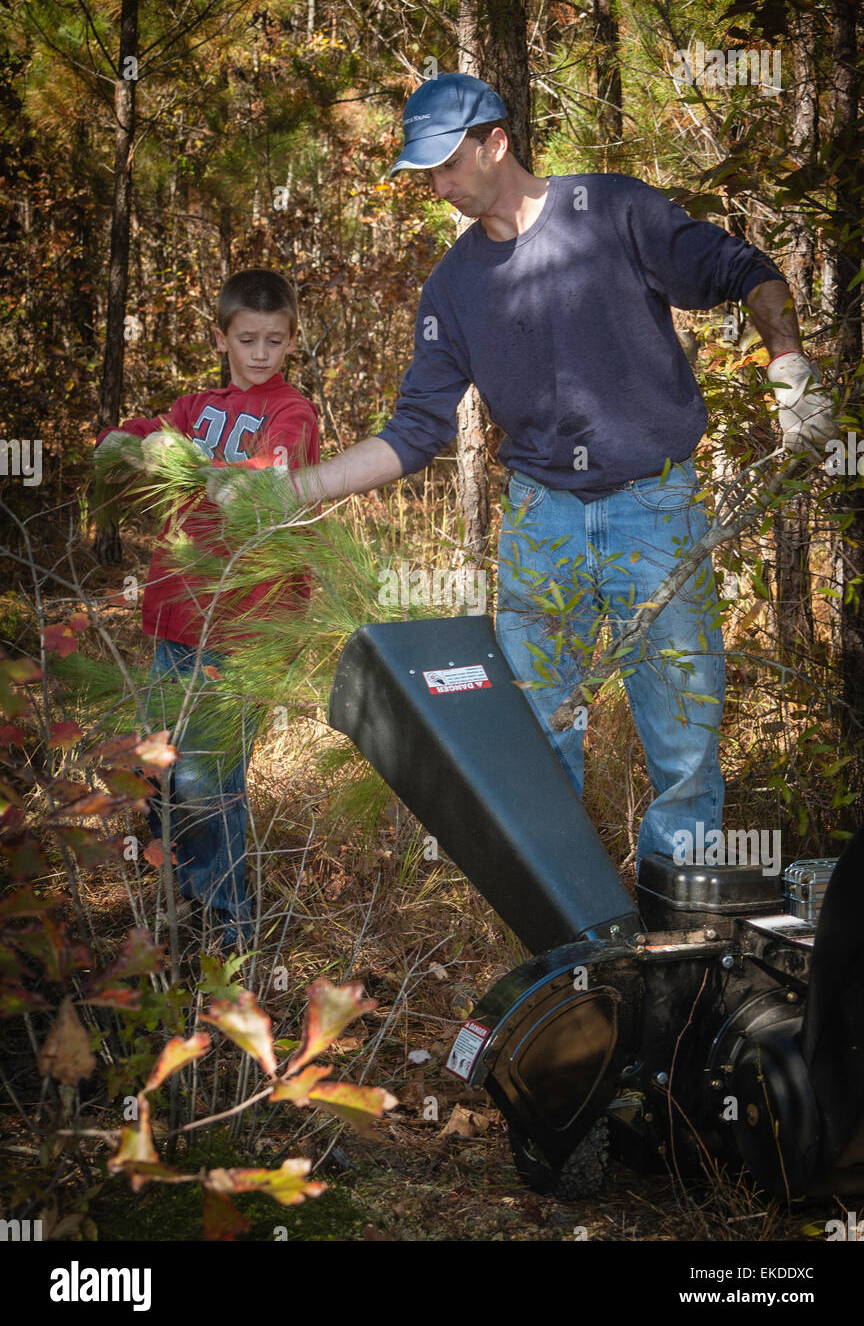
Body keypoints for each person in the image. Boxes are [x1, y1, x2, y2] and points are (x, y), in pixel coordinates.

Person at [208, 74, 836, 877]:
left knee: (683, 733)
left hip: (658, 508)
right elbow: (413, 434)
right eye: (425, 172)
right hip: (542, 523)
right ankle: (572, 935)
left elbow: (744, 269)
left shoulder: (612, 211)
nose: (437, 187)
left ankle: (681, 937)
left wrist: (789, 368)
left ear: (495, 142)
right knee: (538, 732)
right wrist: (290, 490)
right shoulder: (454, 286)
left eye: (446, 166)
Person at [95, 268, 320, 945]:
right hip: (180, 619)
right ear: (220, 335)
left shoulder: (291, 411)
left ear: (289, 342)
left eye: (274, 341)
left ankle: (230, 925)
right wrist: (123, 442)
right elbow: (144, 434)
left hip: (244, 621)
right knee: (157, 764)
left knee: (208, 777)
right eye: (246, 338)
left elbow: (270, 474)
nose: (259, 353)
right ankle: (183, 894)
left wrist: (207, 470)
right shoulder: (197, 408)